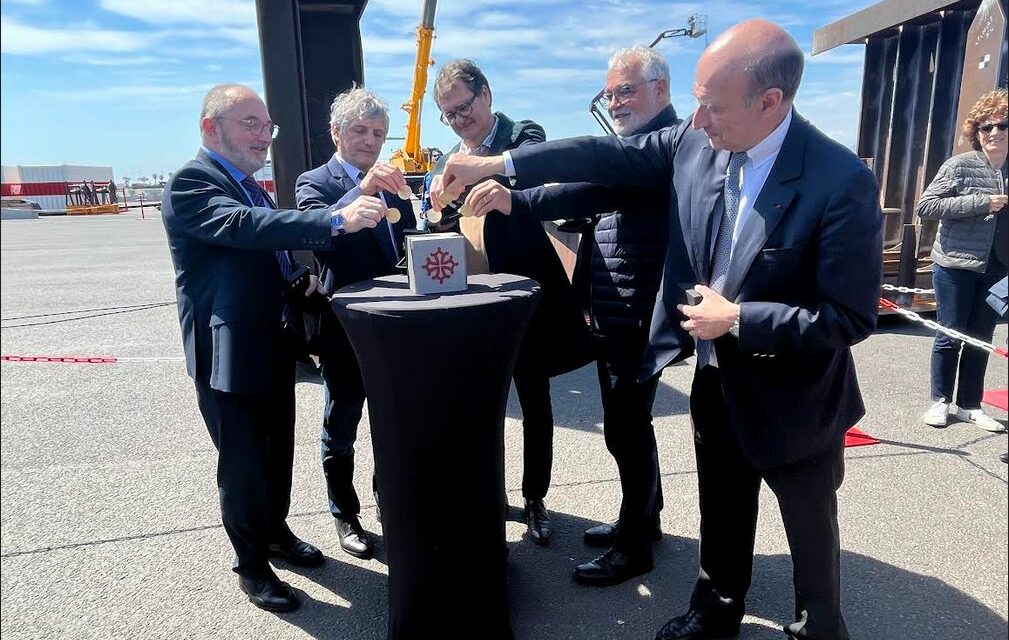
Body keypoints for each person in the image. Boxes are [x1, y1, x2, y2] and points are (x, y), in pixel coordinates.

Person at [433, 20, 882, 640]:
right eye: (695, 100)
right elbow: (601, 160)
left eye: (712, 105)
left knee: (808, 523)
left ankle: (820, 625)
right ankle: (716, 608)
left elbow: (850, 316)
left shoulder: (840, 181)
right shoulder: (694, 144)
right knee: (722, 504)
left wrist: (741, 319)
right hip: (714, 377)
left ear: (770, 102)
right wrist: (500, 164)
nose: (696, 119)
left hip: (794, 394)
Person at [460, 46, 685, 586]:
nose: (616, 101)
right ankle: (643, 519)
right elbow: (588, 191)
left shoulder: (659, 146)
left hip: (635, 314)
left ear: (661, 91)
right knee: (629, 428)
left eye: (626, 90)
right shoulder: (636, 148)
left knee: (626, 430)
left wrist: (503, 172)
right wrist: (520, 202)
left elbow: (584, 165)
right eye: (610, 93)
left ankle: (634, 546)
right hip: (618, 311)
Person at [162, 83, 387, 613]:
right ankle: (251, 565)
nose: (264, 136)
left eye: (268, 126)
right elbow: (243, 228)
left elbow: (263, 252)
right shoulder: (194, 182)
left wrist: (295, 282)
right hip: (227, 351)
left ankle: (276, 533)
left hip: (270, 341)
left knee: (276, 452)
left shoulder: (250, 184)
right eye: (251, 124)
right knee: (242, 462)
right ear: (210, 127)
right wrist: (335, 218)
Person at [429, 59, 591, 546]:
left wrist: (475, 175)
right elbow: (439, 226)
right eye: (449, 115)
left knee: (536, 402)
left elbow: (531, 174)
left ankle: (536, 496)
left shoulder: (520, 134)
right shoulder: (446, 160)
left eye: (464, 107)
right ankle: (489, 495)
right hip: (474, 301)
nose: (460, 121)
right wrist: (437, 209)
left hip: (526, 298)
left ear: (486, 94)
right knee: (483, 405)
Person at [295, 87, 416, 560]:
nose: (370, 141)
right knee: (340, 424)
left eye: (379, 134)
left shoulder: (391, 181)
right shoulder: (316, 182)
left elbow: (404, 243)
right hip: (344, 330)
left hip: (394, 327)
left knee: (392, 423)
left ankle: (389, 502)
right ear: (336, 132)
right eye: (360, 130)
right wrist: (360, 192)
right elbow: (314, 232)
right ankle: (345, 513)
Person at [916, 89, 1008, 433]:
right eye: (987, 127)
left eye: (1003, 125)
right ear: (977, 133)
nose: (995, 132)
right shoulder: (960, 166)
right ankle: (940, 401)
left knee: (981, 336)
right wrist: (981, 203)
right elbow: (926, 206)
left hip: (999, 268)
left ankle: (970, 404)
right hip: (955, 264)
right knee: (950, 335)